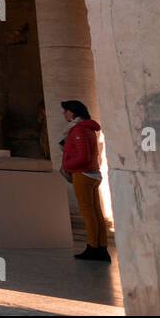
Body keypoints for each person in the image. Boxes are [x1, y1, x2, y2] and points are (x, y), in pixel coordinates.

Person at [60, 99, 110, 262]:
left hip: (83, 174)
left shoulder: (78, 130)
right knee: (95, 212)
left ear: (73, 112)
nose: (63, 114)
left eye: (65, 110)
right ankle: (101, 247)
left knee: (88, 213)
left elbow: (83, 156)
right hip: (92, 173)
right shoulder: (86, 129)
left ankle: (92, 247)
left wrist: (67, 165)